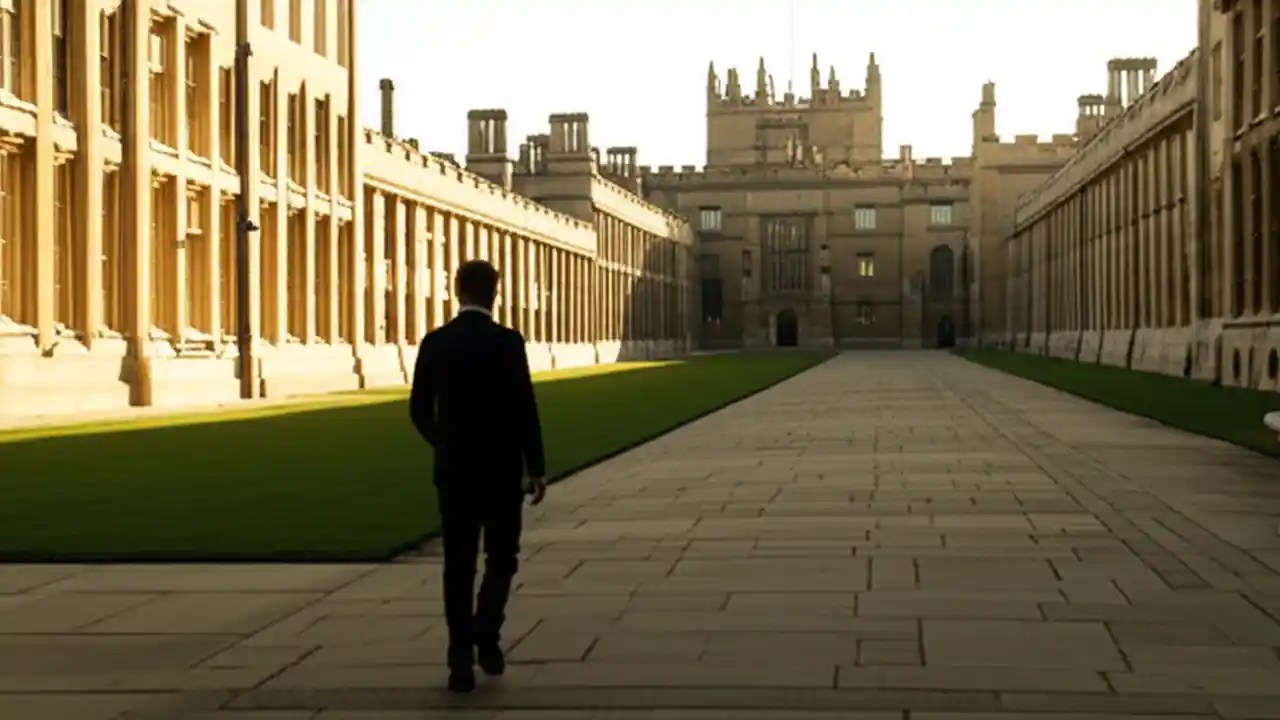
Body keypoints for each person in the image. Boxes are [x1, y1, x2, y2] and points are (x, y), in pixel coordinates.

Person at [409, 259, 547, 693]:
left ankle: (458, 657)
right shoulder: (509, 342)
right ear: (495, 294)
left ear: (457, 292)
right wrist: (536, 467)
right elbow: (526, 408)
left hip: (454, 471)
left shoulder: (436, 341)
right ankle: (486, 631)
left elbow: (418, 409)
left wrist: (442, 442)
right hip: (502, 469)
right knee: (502, 559)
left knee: (458, 566)